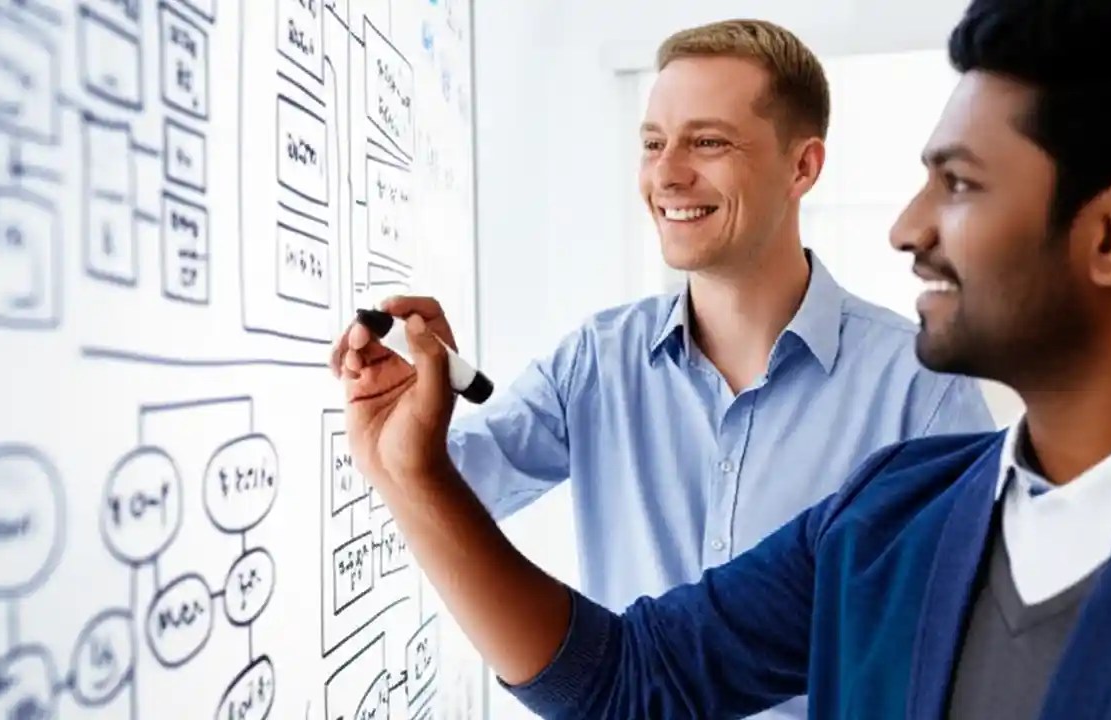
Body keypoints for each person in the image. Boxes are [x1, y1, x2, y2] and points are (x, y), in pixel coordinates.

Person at [333, 18, 993, 720]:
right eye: (653, 143)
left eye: (707, 142)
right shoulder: (595, 361)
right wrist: (410, 423)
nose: (667, 173)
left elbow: (957, 647)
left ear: (802, 167)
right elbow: (463, 486)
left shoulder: (922, 390)